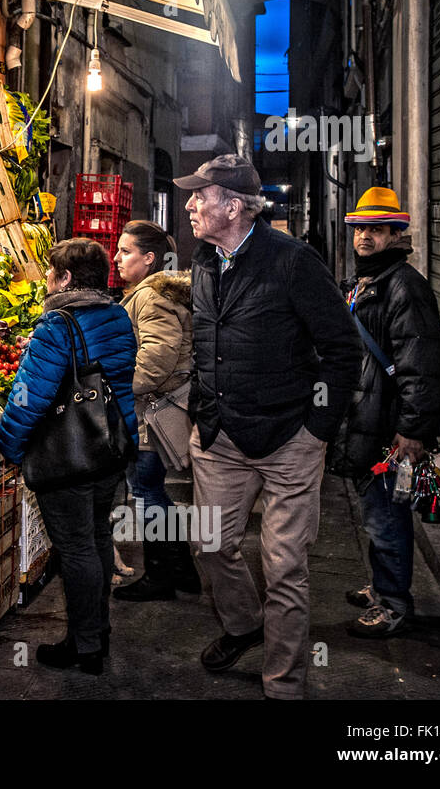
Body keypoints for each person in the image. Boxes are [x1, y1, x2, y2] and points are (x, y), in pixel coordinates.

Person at [177, 154, 361, 700]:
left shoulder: (294, 262)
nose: (189, 204)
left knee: (284, 567)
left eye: (199, 196)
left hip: (289, 439)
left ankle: (283, 684)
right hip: (221, 435)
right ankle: (242, 625)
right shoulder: (205, 260)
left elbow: (342, 349)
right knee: (210, 545)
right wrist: (202, 409)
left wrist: (317, 430)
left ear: (232, 207)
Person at [0, 238, 138, 674]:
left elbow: (28, 398)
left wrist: (9, 446)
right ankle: (95, 635)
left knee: (75, 549)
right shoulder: (116, 314)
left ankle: (85, 647)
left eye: (50, 272)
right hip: (110, 448)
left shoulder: (57, 325)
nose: (45, 280)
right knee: (96, 540)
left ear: (66, 278)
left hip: (70, 455)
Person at [327, 187, 440, 638]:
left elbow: (423, 364)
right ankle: (383, 585)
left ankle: (394, 603)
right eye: (360, 228)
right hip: (369, 420)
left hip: (389, 428)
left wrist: (412, 432)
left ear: (397, 235)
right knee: (376, 511)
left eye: (376, 229)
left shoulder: (404, 287)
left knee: (386, 516)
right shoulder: (366, 283)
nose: (364, 236)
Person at [111, 220, 202, 601]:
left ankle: (161, 577)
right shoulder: (150, 293)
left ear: (149, 259)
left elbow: (156, 360)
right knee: (151, 491)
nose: (116, 258)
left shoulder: (151, 298)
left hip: (150, 413)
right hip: (151, 409)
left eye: (126, 252)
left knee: (146, 492)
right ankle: (181, 572)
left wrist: (118, 390)